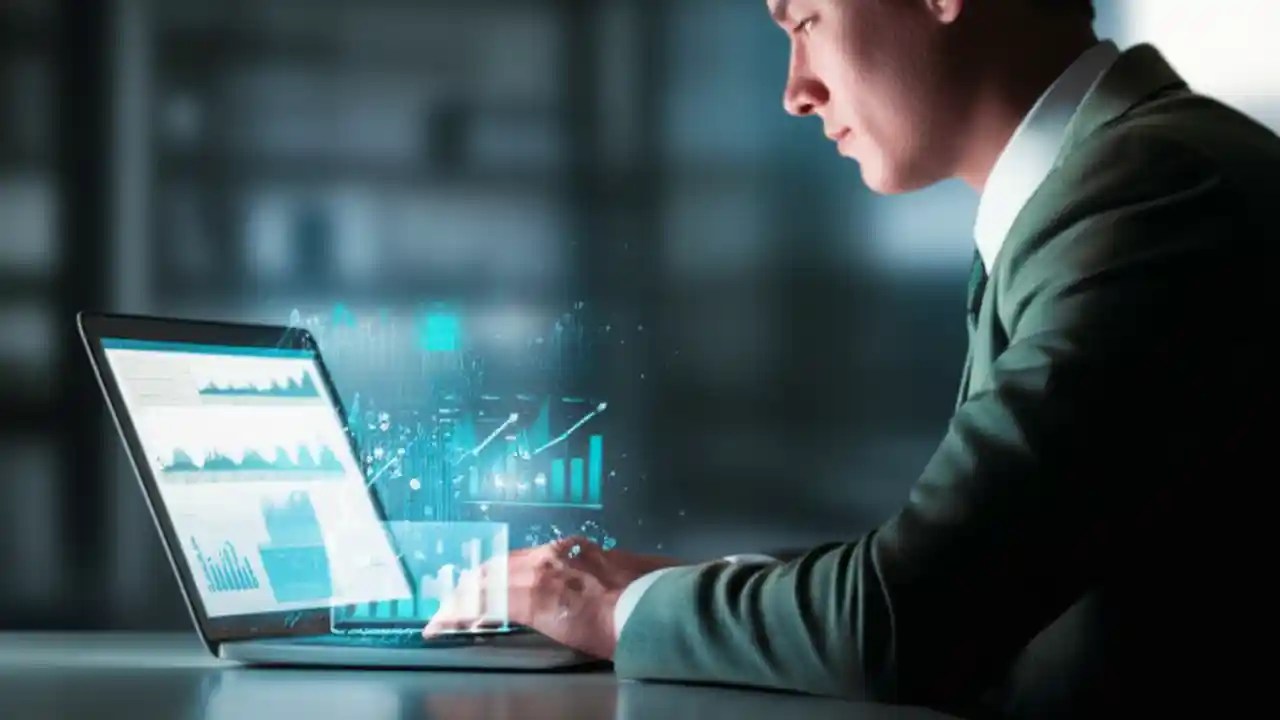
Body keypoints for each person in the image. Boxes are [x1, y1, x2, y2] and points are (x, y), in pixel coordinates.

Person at [426, 1, 1277, 717]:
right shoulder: (1114, 185)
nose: (796, 91)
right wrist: (697, 589)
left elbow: (916, 620)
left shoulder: (1153, 195)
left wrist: (607, 606)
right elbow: (978, 568)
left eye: (806, 21)